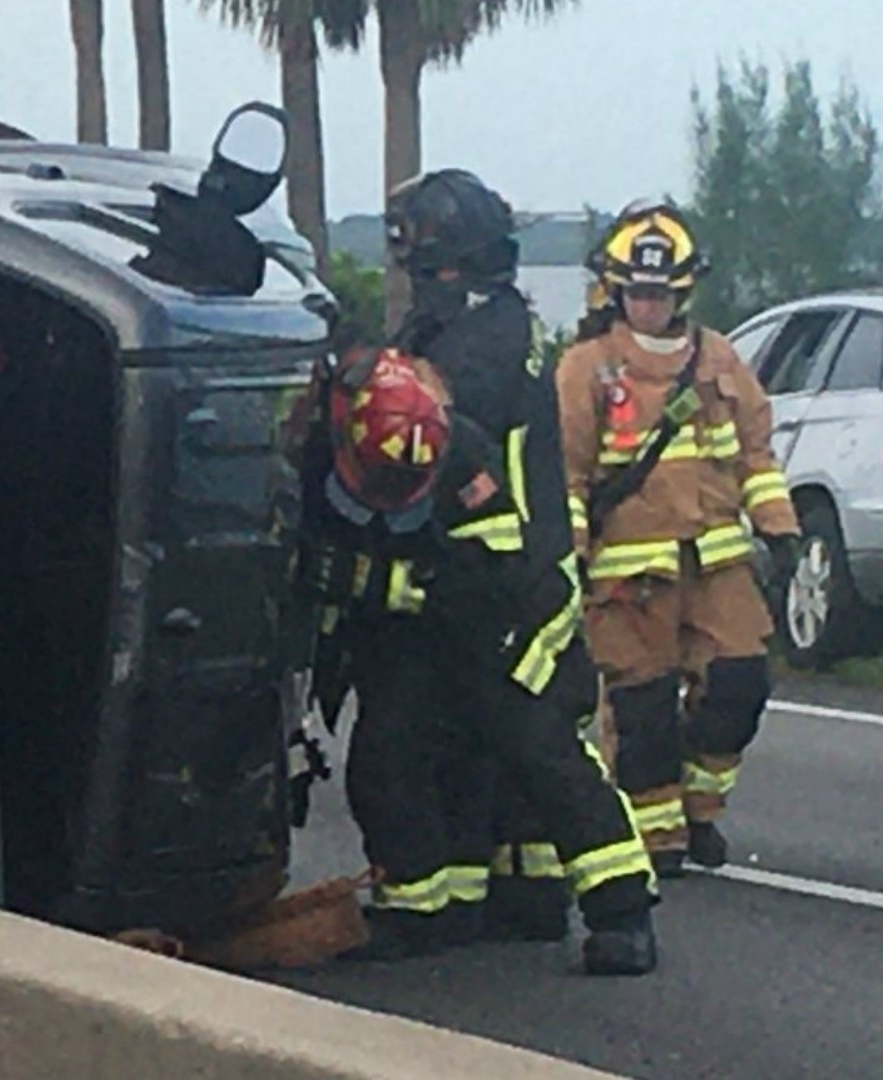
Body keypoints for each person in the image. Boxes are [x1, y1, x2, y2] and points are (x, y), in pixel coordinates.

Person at [296, 346, 659, 975]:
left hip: (507, 629)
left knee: (542, 754)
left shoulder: (465, 462)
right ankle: (426, 909)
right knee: (389, 758)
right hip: (412, 636)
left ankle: (623, 911)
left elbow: (489, 585)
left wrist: (369, 581)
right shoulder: (317, 444)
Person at [379, 169, 598, 943]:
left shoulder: (483, 345)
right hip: (492, 575)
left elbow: (426, 436)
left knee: (534, 747)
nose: (423, 282)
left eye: (431, 266)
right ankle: (496, 899)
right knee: (476, 742)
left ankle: (616, 908)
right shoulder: (489, 326)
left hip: (507, 579)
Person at [557, 199, 801, 876]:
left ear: (683, 291)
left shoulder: (718, 359)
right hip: (629, 580)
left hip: (716, 567)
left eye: (661, 294)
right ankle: (655, 835)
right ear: (615, 290)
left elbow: (755, 454)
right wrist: (570, 558)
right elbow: (568, 475)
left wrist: (779, 529)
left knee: (740, 685)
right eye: (636, 293)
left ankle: (699, 810)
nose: (648, 307)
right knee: (642, 712)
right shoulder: (587, 368)